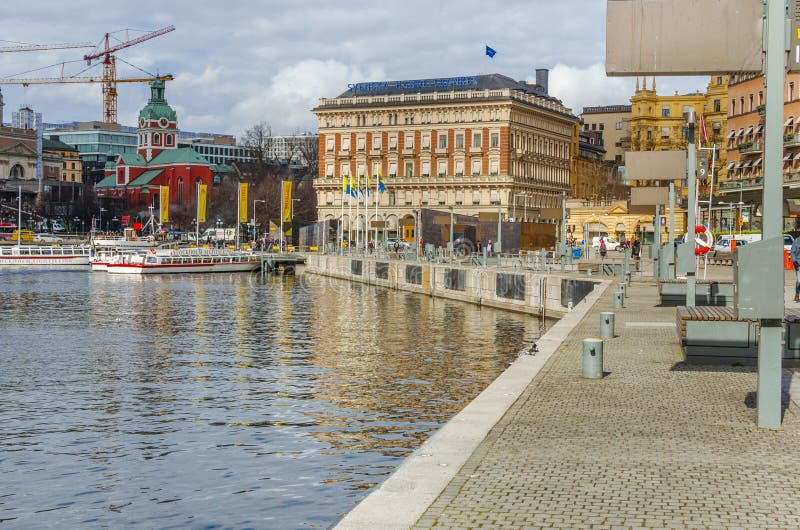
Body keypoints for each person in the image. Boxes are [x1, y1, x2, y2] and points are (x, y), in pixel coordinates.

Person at [791, 235, 800, 302]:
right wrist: (794, 261)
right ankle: (797, 294)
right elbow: (792, 252)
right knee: (799, 280)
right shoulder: (796, 241)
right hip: (799, 263)